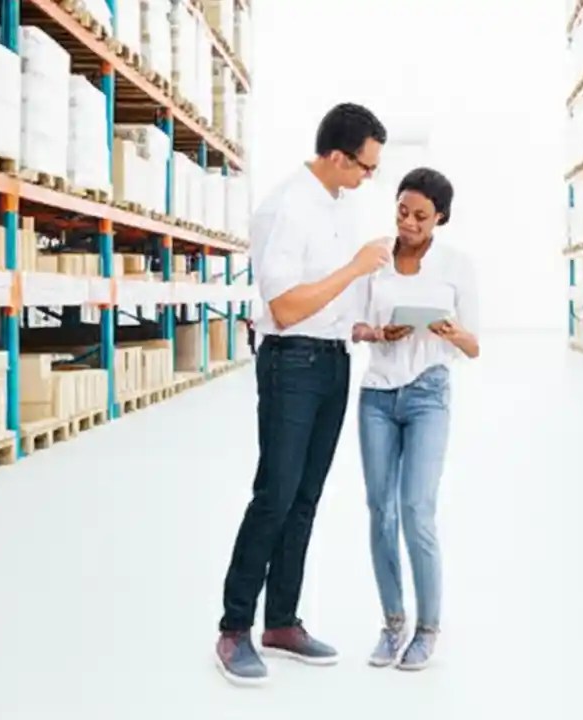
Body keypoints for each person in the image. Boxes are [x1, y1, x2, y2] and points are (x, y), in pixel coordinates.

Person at [215, 102, 391, 687]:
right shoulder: (286, 207)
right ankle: (234, 628)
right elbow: (287, 307)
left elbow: (327, 300)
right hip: (291, 364)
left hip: (333, 360)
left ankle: (282, 622)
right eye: (365, 166)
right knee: (275, 495)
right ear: (338, 156)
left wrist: (363, 325)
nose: (370, 177)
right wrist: (356, 267)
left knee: (306, 498)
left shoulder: (339, 204)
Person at [351, 168, 480, 671]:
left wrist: (450, 332)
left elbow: (474, 344)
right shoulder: (375, 260)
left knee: (416, 510)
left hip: (429, 393)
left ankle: (428, 629)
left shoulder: (456, 265)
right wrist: (379, 333)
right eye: (402, 211)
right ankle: (392, 624)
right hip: (378, 397)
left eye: (420, 216)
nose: (407, 223)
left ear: (440, 218)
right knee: (380, 510)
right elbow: (355, 326)